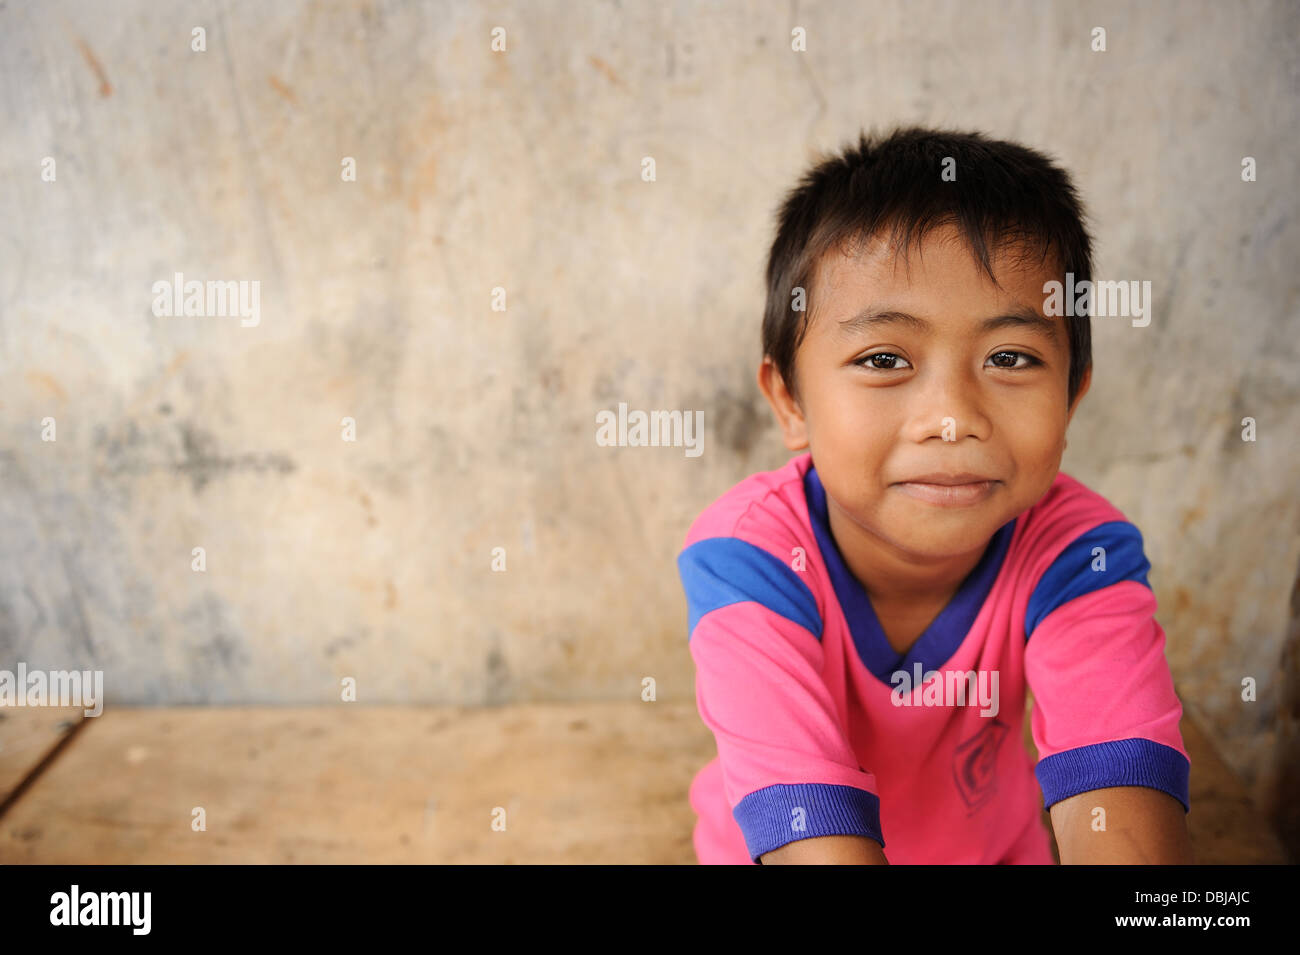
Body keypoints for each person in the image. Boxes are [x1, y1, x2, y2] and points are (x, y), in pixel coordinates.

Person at [676, 126, 1192, 864]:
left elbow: (1128, 815)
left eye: (1009, 357)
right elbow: (808, 840)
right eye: (884, 358)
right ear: (790, 399)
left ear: (1071, 397)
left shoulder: (1082, 555)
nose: (953, 417)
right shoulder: (749, 559)